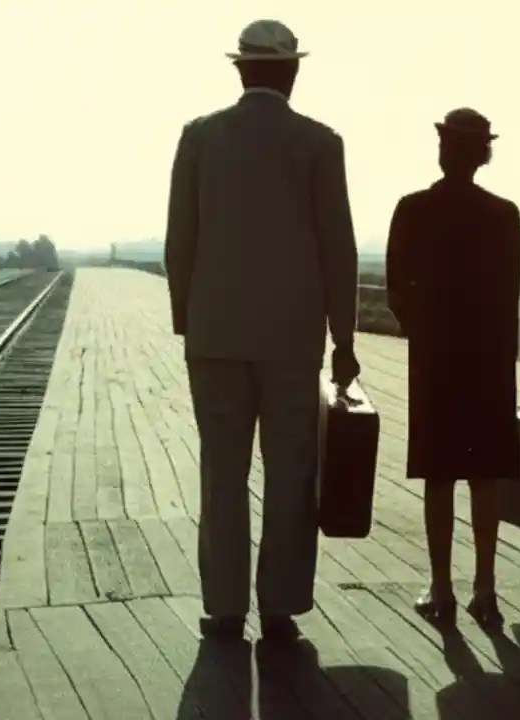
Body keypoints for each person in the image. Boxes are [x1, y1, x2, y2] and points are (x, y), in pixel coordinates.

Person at [164, 19, 360, 642]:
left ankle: (223, 609)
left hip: (215, 337)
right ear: (292, 72)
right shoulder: (320, 144)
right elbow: (339, 250)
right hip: (292, 341)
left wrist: (188, 319)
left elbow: (179, 244)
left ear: (241, 70)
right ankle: (280, 609)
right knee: (290, 472)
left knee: (222, 474)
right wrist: (346, 340)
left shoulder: (200, 138)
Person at [385, 108, 520, 627]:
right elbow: (509, 294)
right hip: (488, 359)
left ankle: (440, 587)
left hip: (436, 358)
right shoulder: (504, 214)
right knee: (486, 475)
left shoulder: (412, 209)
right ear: (484, 154)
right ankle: (485, 586)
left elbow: (397, 290)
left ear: (442, 149)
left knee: (438, 474)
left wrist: (420, 330)